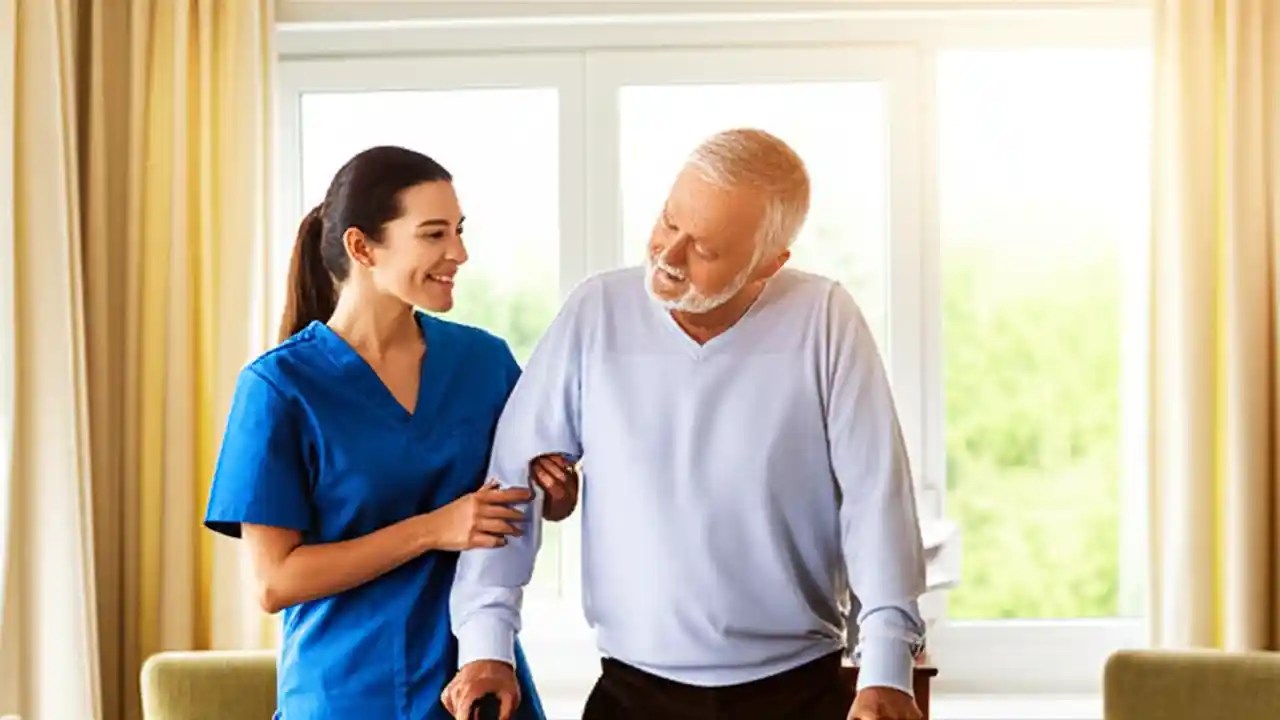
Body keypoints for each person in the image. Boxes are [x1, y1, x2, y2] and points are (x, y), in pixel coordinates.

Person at [442, 129, 928, 720]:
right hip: (631, 689)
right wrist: (486, 645)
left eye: (705, 248)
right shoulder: (598, 311)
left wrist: (886, 666)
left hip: (797, 688)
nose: (668, 256)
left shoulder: (824, 318)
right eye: (669, 222)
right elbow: (512, 484)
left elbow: (876, 499)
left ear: (768, 264)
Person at [203, 145, 562, 720]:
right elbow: (274, 581)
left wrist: (555, 490)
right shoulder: (278, 387)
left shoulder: (484, 362)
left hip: (475, 687)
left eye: (460, 231)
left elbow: (514, 511)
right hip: (347, 694)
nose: (459, 253)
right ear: (361, 246)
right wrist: (432, 530)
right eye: (434, 234)